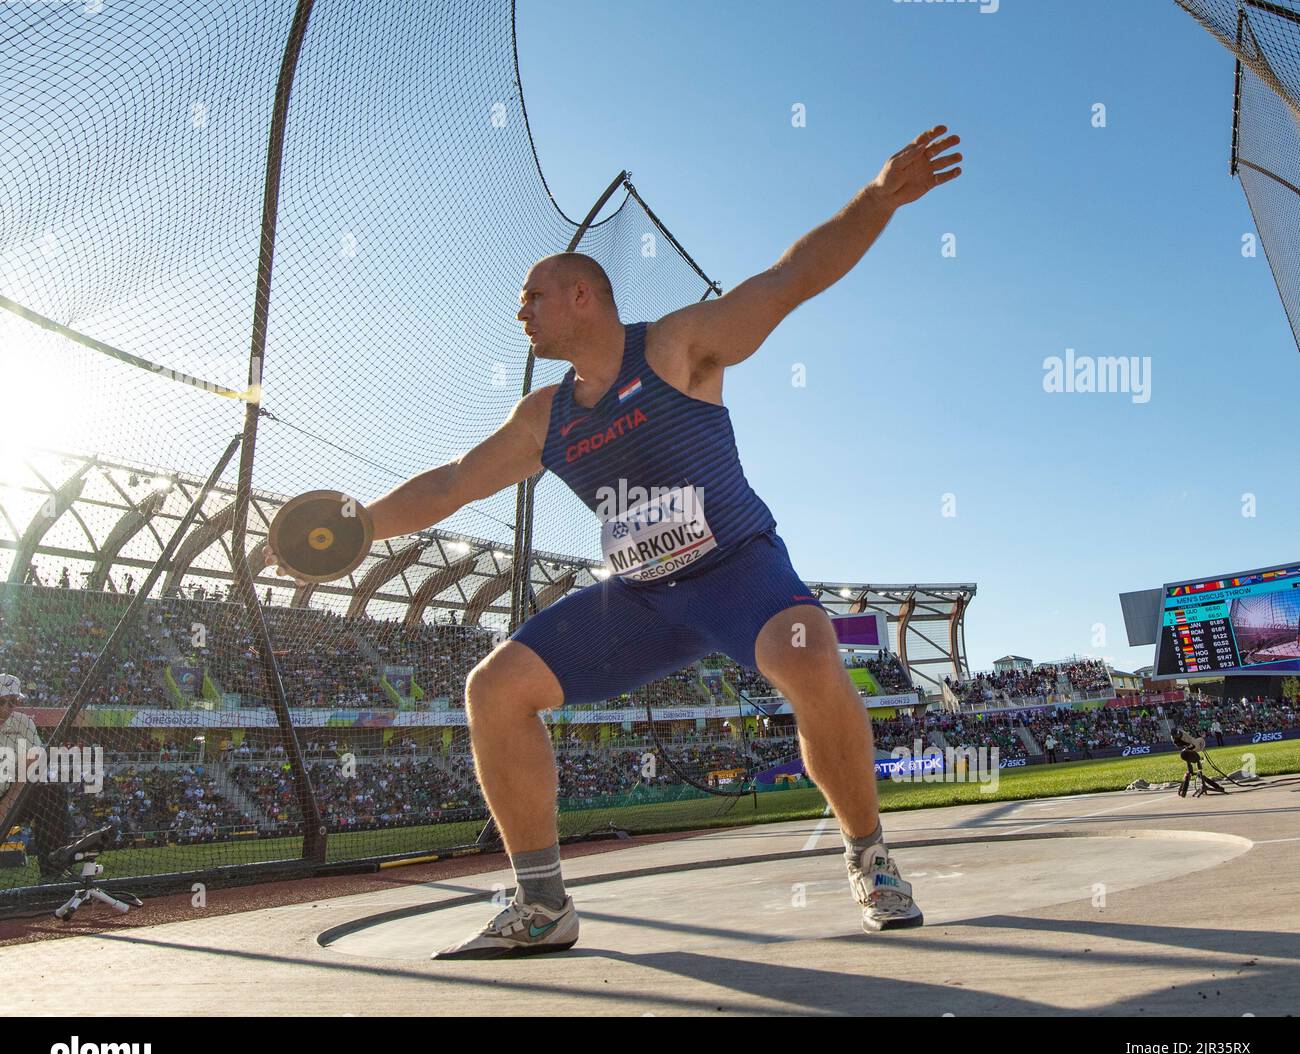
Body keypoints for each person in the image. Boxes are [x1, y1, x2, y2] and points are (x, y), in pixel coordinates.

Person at [271, 126, 962, 958]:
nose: (519, 310)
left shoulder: (674, 348)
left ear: (581, 298)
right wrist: (356, 525)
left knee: (811, 655)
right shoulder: (544, 417)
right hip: (639, 599)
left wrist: (880, 197)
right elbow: (454, 482)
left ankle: (870, 858)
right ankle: (541, 903)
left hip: (739, 572)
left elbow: (787, 282)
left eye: (532, 296)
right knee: (494, 690)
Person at [0, 672, 70, 876]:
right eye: (1, 701)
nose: (6, 708)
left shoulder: (23, 723)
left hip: (13, 794)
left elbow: (31, 766)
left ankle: (53, 873)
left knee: (52, 794)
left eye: (12, 702)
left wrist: (7, 805)